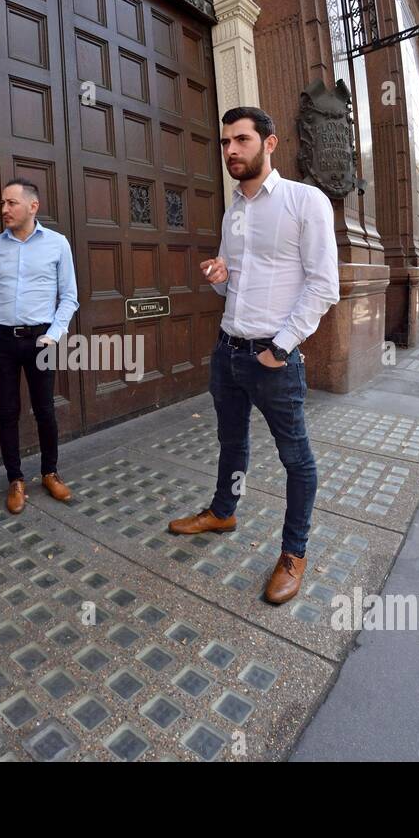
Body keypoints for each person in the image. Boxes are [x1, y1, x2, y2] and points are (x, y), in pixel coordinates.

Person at [167, 107, 340, 605]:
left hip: (273, 358)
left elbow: (323, 286)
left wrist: (280, 348)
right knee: (230, 440)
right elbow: (235, 287)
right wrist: (222, 280)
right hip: (228, 351)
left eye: (241, 140)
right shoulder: (233, 212)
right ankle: (223, 510)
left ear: (270, 144)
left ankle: (294, 552)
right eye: (225, 143)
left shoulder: (306, 201)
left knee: (296, 458)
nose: (231, 151)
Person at [0, 178, 79, 515]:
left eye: (11, 203)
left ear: (33, 206)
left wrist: (55, 333)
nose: (4, 209)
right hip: (2, 342)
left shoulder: (57, 244)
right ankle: (15, 480)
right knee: (8, 412)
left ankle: (50, 472)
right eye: (2, 203)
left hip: (41, 340)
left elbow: (70, 298)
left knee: (45, 409)